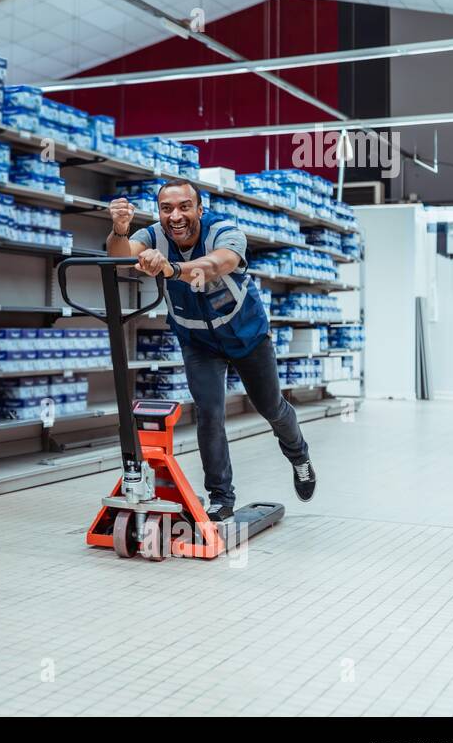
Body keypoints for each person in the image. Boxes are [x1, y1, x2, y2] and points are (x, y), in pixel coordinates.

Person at [106, 181, 317, 519]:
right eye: (167, 208)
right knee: (209, 415)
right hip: (198, 342)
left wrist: (170, 269)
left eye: (184, 207)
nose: (175, 216)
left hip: (245, 335)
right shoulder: (153, 236)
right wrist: (119, 231)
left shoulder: (225, 232)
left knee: (272, 408)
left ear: (199, 210)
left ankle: (299, 455)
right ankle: (221, 498)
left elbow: (215, 266)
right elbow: (117, 261)